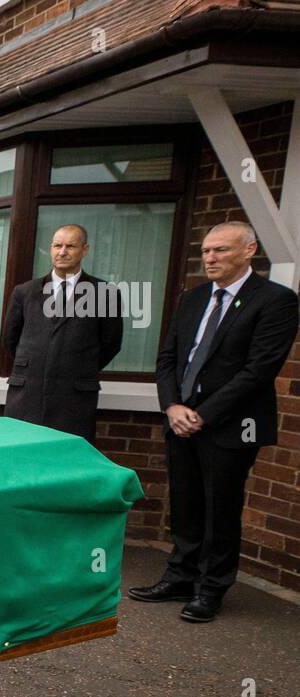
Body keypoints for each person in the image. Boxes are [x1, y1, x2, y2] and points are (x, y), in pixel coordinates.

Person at [130, 221, 299, 623]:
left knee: (219, 508)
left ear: (248, 250)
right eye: (206, 251)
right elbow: (168, 358)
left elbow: (258, 371)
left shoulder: (276, 301)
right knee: (185, 504)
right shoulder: (193, 298)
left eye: (220, 250)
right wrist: (172, 406)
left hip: (231, 426)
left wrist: (202, 415)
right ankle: (180, 577)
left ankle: (211, 588)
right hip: (180, 419)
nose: (210, 258)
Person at [3, 224, 124, 441]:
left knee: (67, 463)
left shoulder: (105, 293)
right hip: (26, 396)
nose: (62, 251)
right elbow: (11, 339)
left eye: (70, 246)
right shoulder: (25, 292)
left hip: (74, 400)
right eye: (57, 245)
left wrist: (77, 367)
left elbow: (111, 343)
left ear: (85, 250)